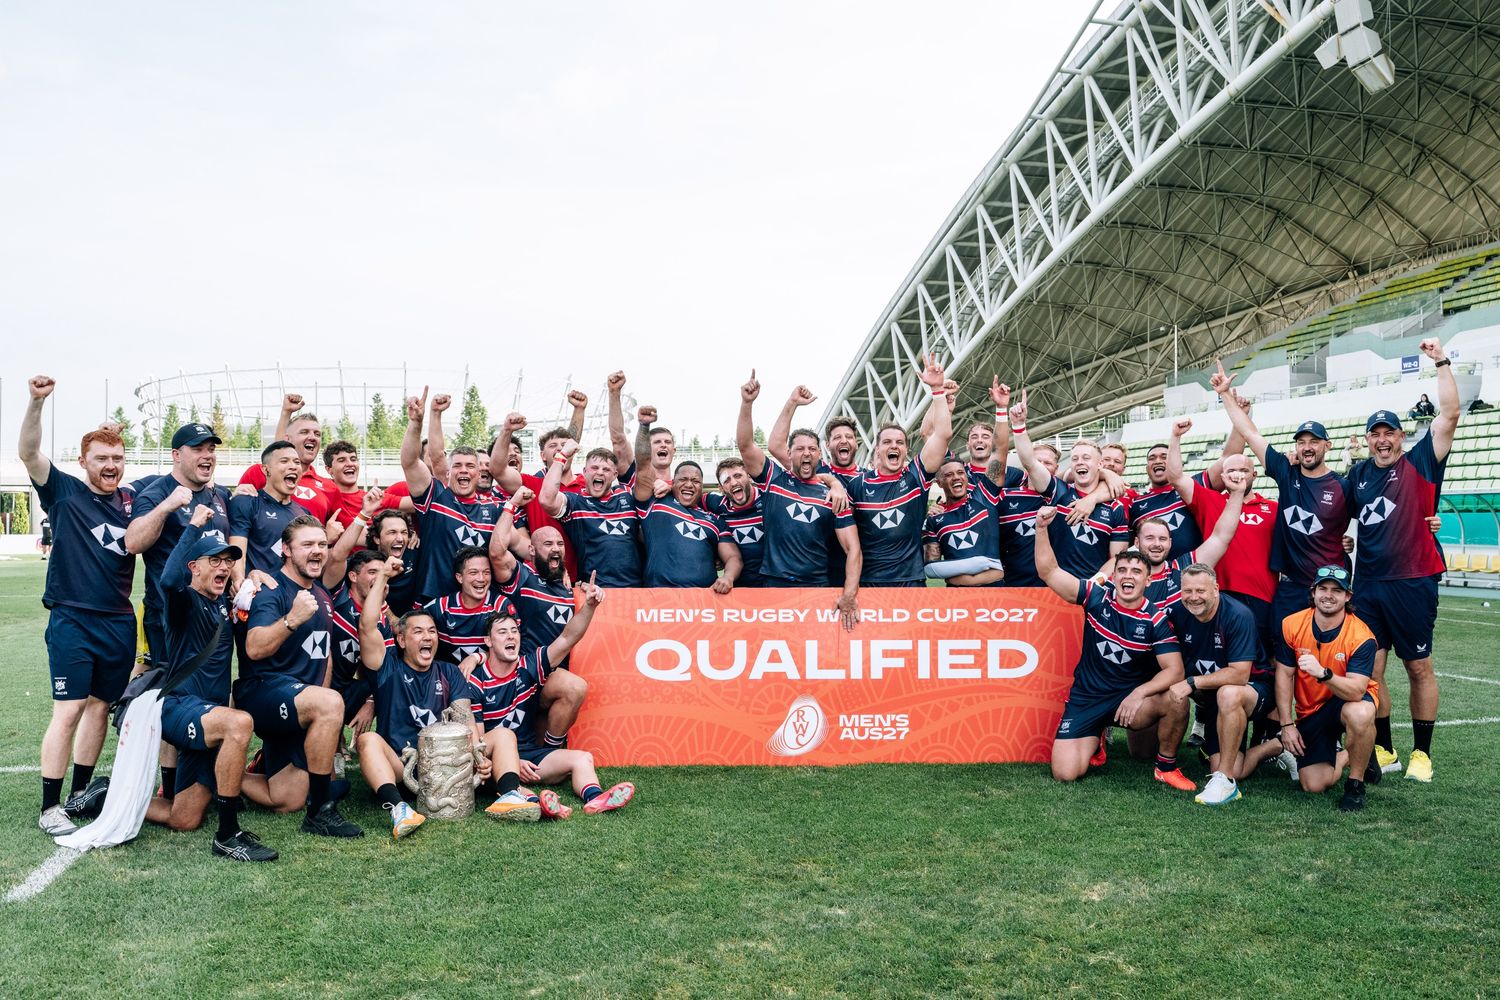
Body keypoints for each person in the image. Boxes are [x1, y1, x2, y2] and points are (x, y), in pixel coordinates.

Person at [20, 376, 137, 835]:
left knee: (98, 708)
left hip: (120, 621)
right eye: (101, 458)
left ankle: (80, 795)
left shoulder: (133, 499)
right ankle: (51, 806)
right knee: (68, 709)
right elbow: (29, 452)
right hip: (72, 618)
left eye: (116, 458)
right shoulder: (65, 492)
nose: (110, 465)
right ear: (82, 461)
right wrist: (36, 402)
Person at [1347, 338, 1459, 782]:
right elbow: (1332, 511)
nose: (1381, 439)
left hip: (1414, 580)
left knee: (1418, 666)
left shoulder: (1420, 463)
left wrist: (1442, 362)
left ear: (1400, 435)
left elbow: (1449, 414)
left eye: (1389, 431)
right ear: (1369, 439)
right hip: (1369, 584)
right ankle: (1385, 747)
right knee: (1371, 669)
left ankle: (1422, 754)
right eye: (1375, 433)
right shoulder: (1357, 475)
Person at [1210, 362, 1353, 696]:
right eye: (1301, 441)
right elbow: (1250, 433)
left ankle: (1323, 728)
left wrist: (1429, 521)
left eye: (1314, 441)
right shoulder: (1286, 475)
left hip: (1327, 587)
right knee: (1279, 660)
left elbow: (1377, 518)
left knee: (1328, 659)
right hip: (1288, 589)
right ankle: (1275, 733)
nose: (1306, 447)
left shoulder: (1344, 486)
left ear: (1326, 446)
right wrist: (1225, 395)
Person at [144, 508, 277, 860]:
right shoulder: (183, 600)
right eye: (214, 560)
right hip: (178, 707)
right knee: (239, 722)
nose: (223, 567)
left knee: (183, 818)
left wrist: (256, 576)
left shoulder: (223, 606)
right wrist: (192, 528)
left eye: (227, 561)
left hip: (205, 720)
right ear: (194, 568)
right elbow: (168, 580)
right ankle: (228, 834)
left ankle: (107, 794)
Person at [355, 561, 518, 838]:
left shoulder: (449, 672)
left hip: (446, 766)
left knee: (501, 735)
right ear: (402, 640)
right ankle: (399, 809)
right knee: (367, 741)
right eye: (418, 631)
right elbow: (367, 624)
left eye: (432, 631)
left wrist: (479, 757)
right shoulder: (387, 666)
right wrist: (382, 574)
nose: (428, 636)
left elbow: (466, 723)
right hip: (401, 764)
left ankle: (510, 796)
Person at [1033, 507, 1191, 788]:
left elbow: (1175, 670)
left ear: (1148, 579)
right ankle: (1095, 737)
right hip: (1088, 699)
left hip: (1130, 700)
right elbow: (1049, 571)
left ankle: (1165, 768)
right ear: (1114, 576)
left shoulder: (1156, 618)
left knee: (1176, 700)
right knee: (1065, 773)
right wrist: (1041, 529)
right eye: (1122, 570)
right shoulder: (1095, 597)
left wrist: (1138, 693)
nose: (1128, 576)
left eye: (1136, 571)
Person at [468, 574, 635, 817]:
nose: (511, 636)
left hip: (532, 755)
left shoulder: (528, 666)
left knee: (582, 758)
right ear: (488, 641)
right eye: (502, 632)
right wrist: (512, 764)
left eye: (514, 631)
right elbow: (479, 746)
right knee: (504, 775)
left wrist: (589, 606)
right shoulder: (475, 680)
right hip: (496, 762)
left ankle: (596, 798)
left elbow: (567, 638)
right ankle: (537, 803)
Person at [238, 516, 363, 837]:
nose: (317, 551)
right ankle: (321, 812)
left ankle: (216, 773)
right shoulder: (271, 591)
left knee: (285, 798)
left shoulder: (320, 595)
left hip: (300, 703)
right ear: (286, 549)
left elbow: (325, 656)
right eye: (307, 544)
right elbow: (253, 648)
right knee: (330, 702)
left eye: (322, 544)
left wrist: (326, 713)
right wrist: (292, 620)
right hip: (262, 694)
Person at [1246, 566, 1381, 811]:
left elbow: (1356, 692)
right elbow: (1284, 676)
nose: (1328, 595)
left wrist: (1324, 674)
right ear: (1313, 592)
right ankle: (1351, 754)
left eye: (1336, 591)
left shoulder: (1362, 636)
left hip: (1346, 700)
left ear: (1347, 596)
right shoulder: (1292, 624)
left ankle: (1356, 784)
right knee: (1313, 785)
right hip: (1312, 711)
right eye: (1323, 588)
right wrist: (1286, 725)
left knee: (1360, 713)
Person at [735, 370, 861, 629]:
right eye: (800, 449)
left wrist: (849, 594)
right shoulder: (774, 480)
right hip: (773, 584)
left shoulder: (832, 495)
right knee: (776, 652)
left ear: (819, 455)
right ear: (789, 454)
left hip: (818, 586)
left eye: (812, 449)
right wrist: (747, 404)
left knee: (815, 656)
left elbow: (853, 549)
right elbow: (746, 445)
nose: (806, 453)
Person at [487, 490, 592, 752]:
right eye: (548, 544)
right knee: (572, 685)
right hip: (521, 676)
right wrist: (511, 506)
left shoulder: (571, 589)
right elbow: (498, 553)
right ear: (531, 550)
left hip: (550, 676)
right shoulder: (522, 577)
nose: (555, 548)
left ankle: (552, 749)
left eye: (559, 544)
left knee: (573, 688)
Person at [126, 422, 232, 669]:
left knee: (214, 691)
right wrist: (167, 506)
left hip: (215, 616)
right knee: (171, 697)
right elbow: (133, 543)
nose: (207, 456)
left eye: (211, 450)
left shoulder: (221, 495)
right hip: (170, 618)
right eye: (198, 449)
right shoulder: (156, 494)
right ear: (176, 455)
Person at [1165, 564, 1273, 806]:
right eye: (1188, 591)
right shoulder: (1177, 613)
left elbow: (1240, 675)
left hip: (1255, 689)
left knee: (1228, 693)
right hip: (1215, 697)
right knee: (1239, 767)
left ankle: (1225, 782)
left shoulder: (1237, 614)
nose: (1194, 598)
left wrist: (1192, 683)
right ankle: (1274, 747)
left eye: (1201, 591)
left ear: (1215, 589)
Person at [843, 356, 953, 588]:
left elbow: (942, 434)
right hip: (869, 583)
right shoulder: (857, 485)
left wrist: (936, 390)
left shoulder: (916, 477)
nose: (894, 446)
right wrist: (833, 484)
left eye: (900, 443)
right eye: (887, 442)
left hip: (910, 580)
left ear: (906, 450)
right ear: (877, 450)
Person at [400, 388, 504, 604]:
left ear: (479, 472)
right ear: (448, 472)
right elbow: (410, 462)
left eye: (470, 466)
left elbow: (518, 546)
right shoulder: (435, 497)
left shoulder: (494, 510)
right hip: (432, 601)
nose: (463, 470)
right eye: (457, 465)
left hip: (477, 607)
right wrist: (416, 424)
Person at [1010, 391, 1128, 580]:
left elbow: (1118, 557)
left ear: (1099, 464)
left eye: (1086, 458)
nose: (1080, 462)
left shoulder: (1116, 508)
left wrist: (1095, 583)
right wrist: (1019, 426)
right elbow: (1030, 463)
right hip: (1053, 590)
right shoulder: (1058, 491)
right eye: (1075, 459)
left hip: (1092, 592)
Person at [633, 409, 742, 589]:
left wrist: (728, 578)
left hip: (702, 604)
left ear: (702, 486)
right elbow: (643, 463)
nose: (689, 484)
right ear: (672, 483)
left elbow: (733, 557)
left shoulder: (714, 520)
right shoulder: (654, 503)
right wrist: (644, 426)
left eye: (695, 481)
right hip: (658, 601)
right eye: (683, 480)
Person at [537, 438, 644, 588]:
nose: (600, 472)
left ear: (614, 475)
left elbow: (650, 490)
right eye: (594, 468)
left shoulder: (626, 496)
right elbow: (546, 499)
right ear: (585, 472)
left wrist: (666, 486)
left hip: (635, 590)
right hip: (593, 590)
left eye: (606, 469)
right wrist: (562, 456)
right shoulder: (575, 502)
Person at [238, 395, 336, 521]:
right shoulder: (260, 471)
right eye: (304, 432)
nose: (312, 437)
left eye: (317, 434)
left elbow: (342, 531)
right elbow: (237, 516)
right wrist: (286, 413)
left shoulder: (330, 487)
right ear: (287, 439)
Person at [328, 548, 395, 732]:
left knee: (390, 683)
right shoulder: (336, 597)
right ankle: (333, 734)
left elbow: (386, 672)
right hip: (316, 684)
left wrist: (371, 701)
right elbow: (337, 556)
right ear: (353, 576)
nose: (378, 578)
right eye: (373, 572)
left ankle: (386, 741)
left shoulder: (381, 618)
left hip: (347, 689)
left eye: (382, 574)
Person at [422, 546, 518, 666]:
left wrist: (477, 657)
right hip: (449, 680)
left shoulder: (501, 606)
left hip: (491, 681)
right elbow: (406, 628)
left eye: (486, 572)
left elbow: (515, 650)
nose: (481, 578)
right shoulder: (440, 608)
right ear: (459, 577)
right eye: (473, 573)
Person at [922, 458, 1005, 587]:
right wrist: (985, 563)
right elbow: (930, 568)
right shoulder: (933, 519)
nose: (956, 477)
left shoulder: (983, 499)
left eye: (960, 473)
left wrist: (961, 578)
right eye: (948, 475)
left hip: (994, 597)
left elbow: (1000, 453)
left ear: (966, 477)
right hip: (957, 599)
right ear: (939, 483)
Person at [708, 458, 766, 587]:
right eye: (726, 480)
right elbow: (690, 494)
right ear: (721, 488)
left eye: (738, 476)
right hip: (737, 587)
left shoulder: (770, 499)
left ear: (749, 477)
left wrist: (822, 477)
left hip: (774, 586)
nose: (733, 483)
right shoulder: (716, 504)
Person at [366, 509, 421, 613]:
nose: (400, 538)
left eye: (404, 532)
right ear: (377, 538)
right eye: (392, 532)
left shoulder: (416, 553)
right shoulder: (365, 564)